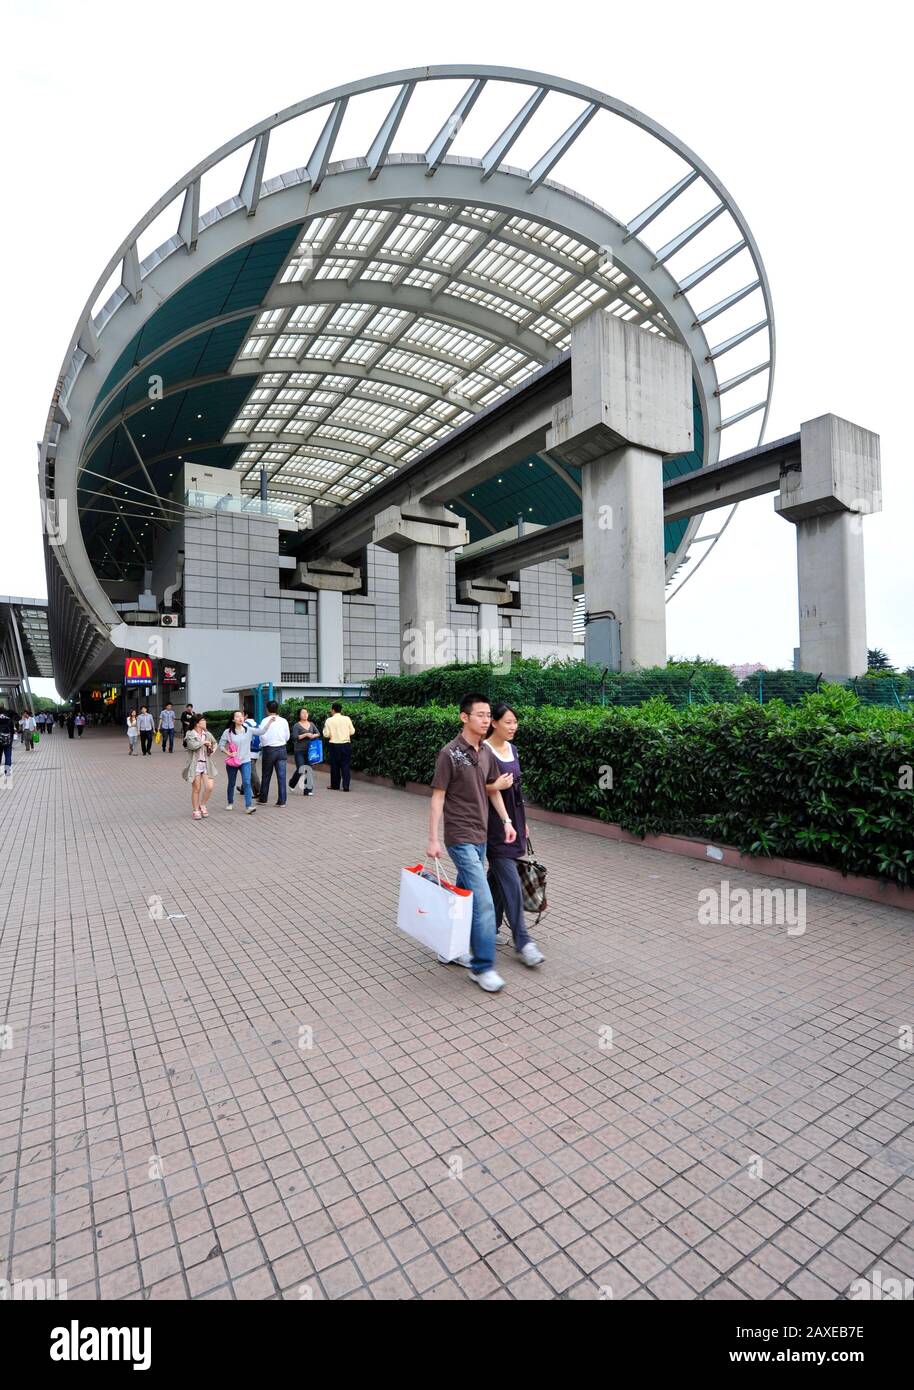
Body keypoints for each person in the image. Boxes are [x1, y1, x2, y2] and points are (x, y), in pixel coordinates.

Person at [427, 693, 517, 994]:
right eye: (480, 714)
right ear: (464, 717)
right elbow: (438, 796)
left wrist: (506, 822)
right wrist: (433, 839)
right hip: (460, 837)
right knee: (484, 902)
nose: (485, 719)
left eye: (488, 714)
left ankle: (448, 948)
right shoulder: (449, 753)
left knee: (463, 896)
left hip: (481, 836)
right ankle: (482, 968)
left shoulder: (486, 753)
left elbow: (492, 791)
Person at [484, 703, 545, 968]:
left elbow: (516, 790)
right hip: (493, 825)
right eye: (508, 722)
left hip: (515, 822)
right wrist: (494, 785)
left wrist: (524, 822)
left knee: (496, 880)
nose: (513, 727)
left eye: (515, 722)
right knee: (510, 881)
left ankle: (490, 927)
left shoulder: (513, 750)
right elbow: (475, 787)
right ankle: (523, 941)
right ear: (494, 723)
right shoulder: (483, 751)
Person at [218, 712, 256, 813]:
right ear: (233, 720)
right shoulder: (228, 732)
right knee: (232, 783)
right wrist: (229, 753)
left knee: (247, 782)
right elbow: (221, 745)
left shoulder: (248, 729)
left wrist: (269, 722)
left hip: (246, 761)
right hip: (233, 762)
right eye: (237, 716)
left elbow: (262, 731)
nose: (240, 718)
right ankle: (230, 802)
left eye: (241, 716)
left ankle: (249, 806)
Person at [255, 701, 290, 806]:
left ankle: (263, 798)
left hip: (269, 750)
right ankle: (282, 801)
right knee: (282, 776)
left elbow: (262, 736)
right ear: (277, 709)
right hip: (282, 749)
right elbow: (287, 736)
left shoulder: (265, 721)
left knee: (266, 775)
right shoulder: (284, 721)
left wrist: (264, 744)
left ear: (267, 709)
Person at [182, 715, 217, 819]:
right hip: (195, 764)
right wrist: (203, 742)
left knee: (210, 787)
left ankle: (203, 805)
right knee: (197, 788)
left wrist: (212, 749)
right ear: (197, 723)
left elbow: (215, 743)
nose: (205, 721)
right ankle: (196, 810)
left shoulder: (207, 734)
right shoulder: (190, 734)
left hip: (206, 763)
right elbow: (192, 746)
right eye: (202, 720)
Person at [323, 702, 355, 792]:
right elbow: (352, 731)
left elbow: (326, 734)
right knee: (345, 765)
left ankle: (335, 785)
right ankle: (346, 786)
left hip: (334, 745)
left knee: (335, 766)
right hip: (346, 744)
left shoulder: (329, 720)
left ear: (333, 710)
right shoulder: (347, 719)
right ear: (341, 710)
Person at [289, 707, 319, 795]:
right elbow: (294, 737)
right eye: (303, 713)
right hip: (299, 750)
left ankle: (308, 790)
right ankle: (292, 783)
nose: (305, 714)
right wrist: (306, 734)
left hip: (310, 751)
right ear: (299, 715)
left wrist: (313, 735)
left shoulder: (311, 724)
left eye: (306, 713)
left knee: (308, 769)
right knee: (301, 768)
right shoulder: (296, 725)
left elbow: (318, 733)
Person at [0, 706, 14, 776]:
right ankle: (7, 771)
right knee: (8, 756)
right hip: (7, 740)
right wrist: (11, 741)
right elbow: (12, 731)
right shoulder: (9, 720)